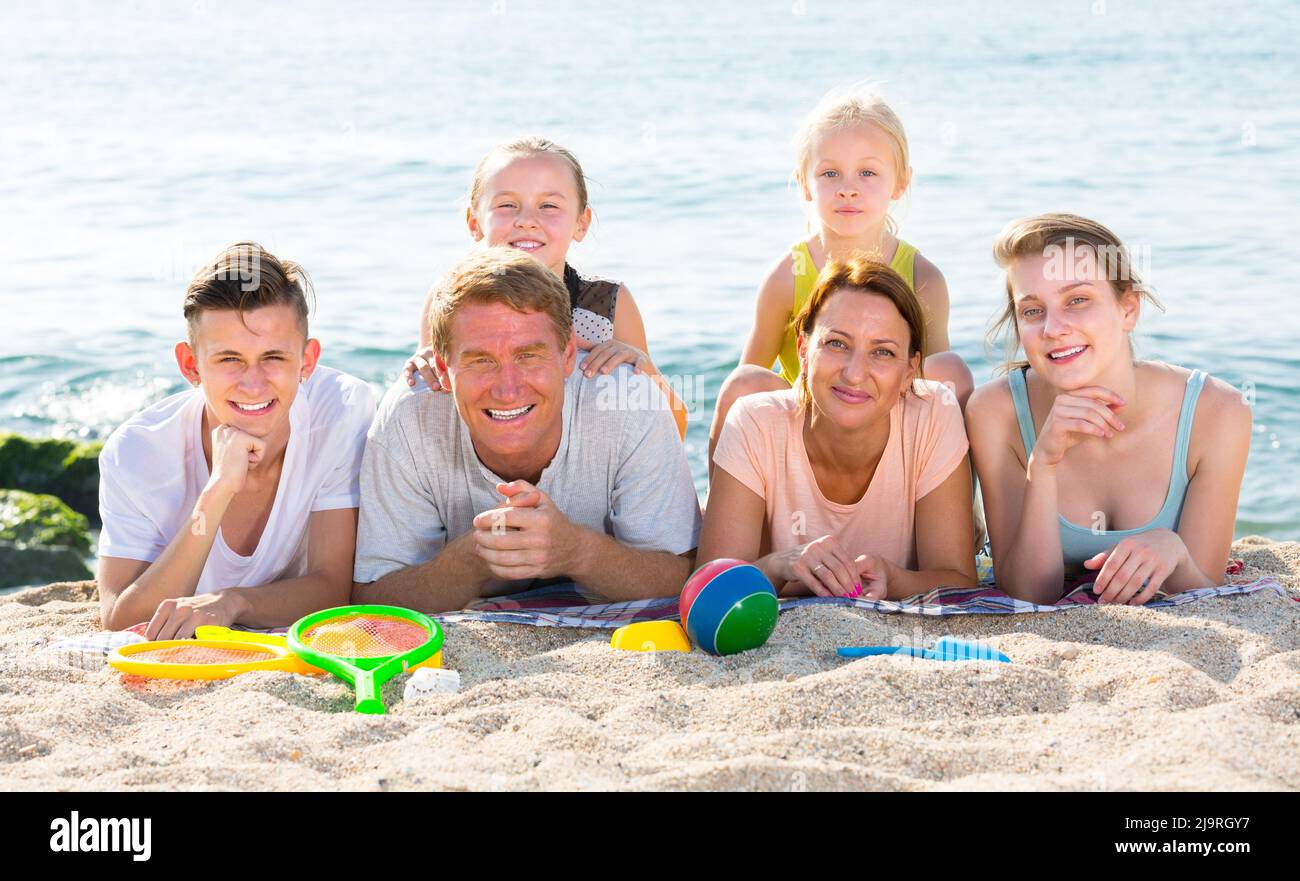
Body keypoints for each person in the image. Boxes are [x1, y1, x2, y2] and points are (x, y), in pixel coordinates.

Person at [353, 247, 700, 613]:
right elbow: (371, 598)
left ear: (567, 355)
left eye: (528, 356)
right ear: (443, 365)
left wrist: (577, 551)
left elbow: (684, 574)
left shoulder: (629, 399)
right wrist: (474, 559)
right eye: (481, 361)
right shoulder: (409, 416)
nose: (507, 389)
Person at [965, 214, 1252, 605]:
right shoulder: (995, 413)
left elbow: (1204, 591)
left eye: (1077, 300)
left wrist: (1175, 552)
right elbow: (1029, 595)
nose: (1053, 328)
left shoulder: (1217, 413)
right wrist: (1043, 464)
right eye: (1032, 310)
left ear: (1128, 309)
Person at [97, 243, 375, 637]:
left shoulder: (341, 410)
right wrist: (218, 491)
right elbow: (122, 619)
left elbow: (333, 588)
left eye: (274, 357)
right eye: (229, 359)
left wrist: (233, 602)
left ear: (307, 361)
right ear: (190, 365)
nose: (253, 383)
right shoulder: (135, 453)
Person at [708, 85, 973, 470]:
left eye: (867, 172)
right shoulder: (788, 276)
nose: (848, 188)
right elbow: (746, 384)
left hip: (887, 431)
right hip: (808, 434)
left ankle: (959, 509)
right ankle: (722, 510)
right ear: (804, 183)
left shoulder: (922, 277)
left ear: (900, 182)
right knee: (743, 382)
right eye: (830, 173)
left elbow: (932, 383)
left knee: (950, 371)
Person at [698, 256, 977, 600]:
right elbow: (708, 595)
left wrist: (893, 578)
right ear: (803, 351)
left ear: (909, 371)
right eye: (837, 344)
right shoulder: (755, 423)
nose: (854, 373)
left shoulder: (933, 414)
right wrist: (778, 566)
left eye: (883, 352)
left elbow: (960, 581)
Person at [403, 136, 688, 436]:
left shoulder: (607, 303)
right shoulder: (448, 299)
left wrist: (642, 369)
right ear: (474, 222)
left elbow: (675, 427)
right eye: (507, 204)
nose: (526, 220)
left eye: (548, 205)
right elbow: (431, 411)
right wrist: (422, 368)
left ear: (581, 223)